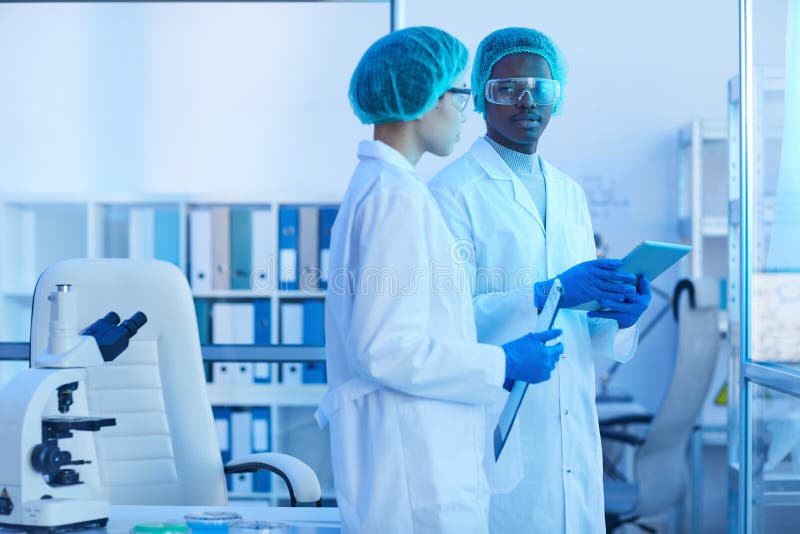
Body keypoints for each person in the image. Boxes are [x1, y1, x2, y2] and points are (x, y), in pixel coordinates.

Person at [315, 27, 566, 534]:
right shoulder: (394, 199)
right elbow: (386, 348)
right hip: (411, 470)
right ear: (421, 98)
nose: (465, 110)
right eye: (459, 95)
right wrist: (505, 360)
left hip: (416, 459)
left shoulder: (387, 189)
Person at [429, 27, 653, 533]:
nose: (527, 101)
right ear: (482, 100)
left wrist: (619, 314)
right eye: (507, 89)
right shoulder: (451, 194)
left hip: (570, 425)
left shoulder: (570, 193)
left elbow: (586, 331)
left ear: (558, 97)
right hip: (499, 418)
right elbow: (444, 320)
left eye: (541, 88)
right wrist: (547, 293)